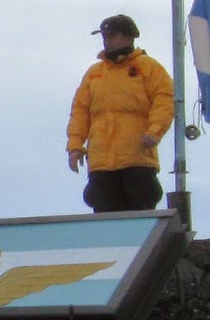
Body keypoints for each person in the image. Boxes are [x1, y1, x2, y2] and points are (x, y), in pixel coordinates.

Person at [65, 15, 174, 213]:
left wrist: (155, 131)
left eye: (111, 36)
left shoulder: (149, 68)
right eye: (104, 36)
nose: (106, 41)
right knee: (104, 216)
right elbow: (79, 111)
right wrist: (75, 146)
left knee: (140, 210)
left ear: (129, 37)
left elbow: (164, 100)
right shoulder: (94, 73)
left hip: (137, 157)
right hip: (100, 161)